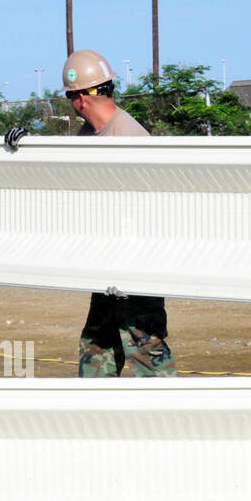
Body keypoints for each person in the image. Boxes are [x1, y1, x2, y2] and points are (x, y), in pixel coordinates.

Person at [62, 49, 175, 378]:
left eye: (70, 98)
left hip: (137, 261)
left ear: (81, 97)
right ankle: (95, 418)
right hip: (106, 259)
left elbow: (154, 205)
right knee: (97, 344)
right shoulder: (88, 135)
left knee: (143, 344)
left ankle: (170, 419)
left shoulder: (129, 136)